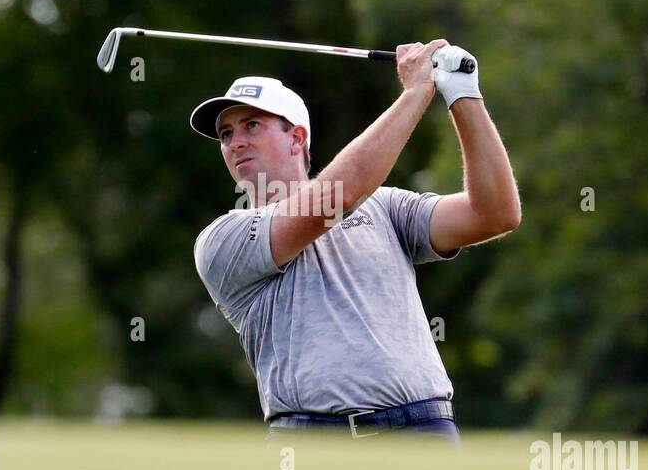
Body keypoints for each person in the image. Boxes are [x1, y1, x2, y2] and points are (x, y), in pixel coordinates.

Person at [191, 39, 521, 446]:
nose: (234, 142)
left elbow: (495, 213)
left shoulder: (385, 206)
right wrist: (417, 92)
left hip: (424, 427)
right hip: (311, 441)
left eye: (251, 126)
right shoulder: (222, 240)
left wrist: (463, 95)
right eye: (225, 134)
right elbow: (337, 198)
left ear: (297, 138)